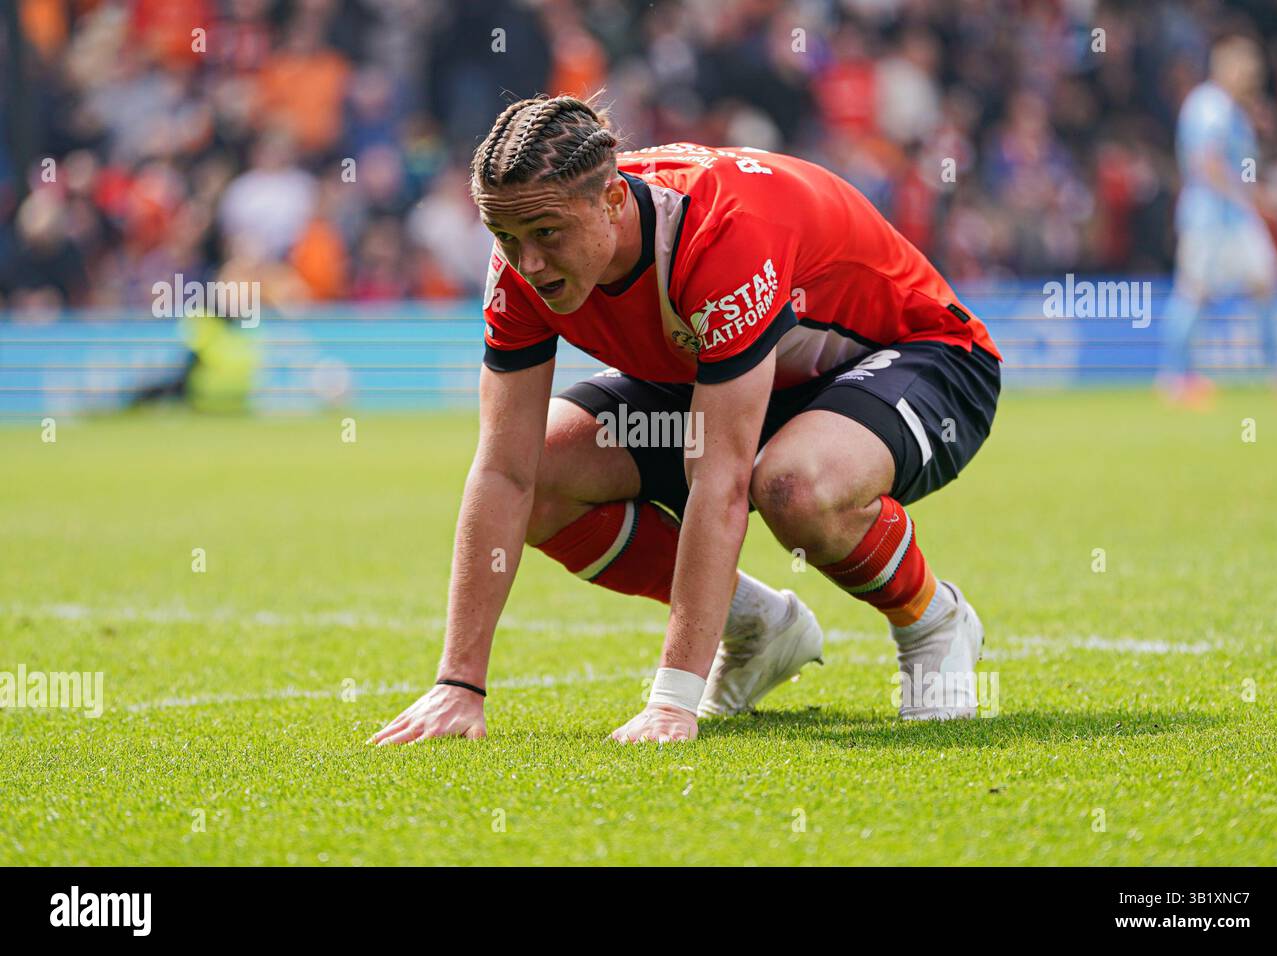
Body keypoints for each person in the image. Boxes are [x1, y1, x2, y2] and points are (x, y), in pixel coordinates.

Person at [370, 95, 1001, 747]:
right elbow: (504, 472)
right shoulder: (521, 269)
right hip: (739, 377)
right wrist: (458, 685)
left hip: (927, 358)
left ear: (613, 201)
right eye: (505, 237)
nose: (527, 263)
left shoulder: (719, 229)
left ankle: (931, 620)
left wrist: (674, 701)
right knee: (543, 476)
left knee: (791, 485)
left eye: (546, 234)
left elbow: (720, 478)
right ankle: (757, 626)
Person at [1160, 35, 1277, 406]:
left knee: (1265, 281)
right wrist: (1251, 195)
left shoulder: (1231, 108)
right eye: (1246, 68)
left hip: (1234, 217)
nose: (1252, 76)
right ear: (1225, 67)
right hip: (1208, 217)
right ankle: (1175, 378)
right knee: (1194, 291)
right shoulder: (1209, 106)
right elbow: (1207, 163)